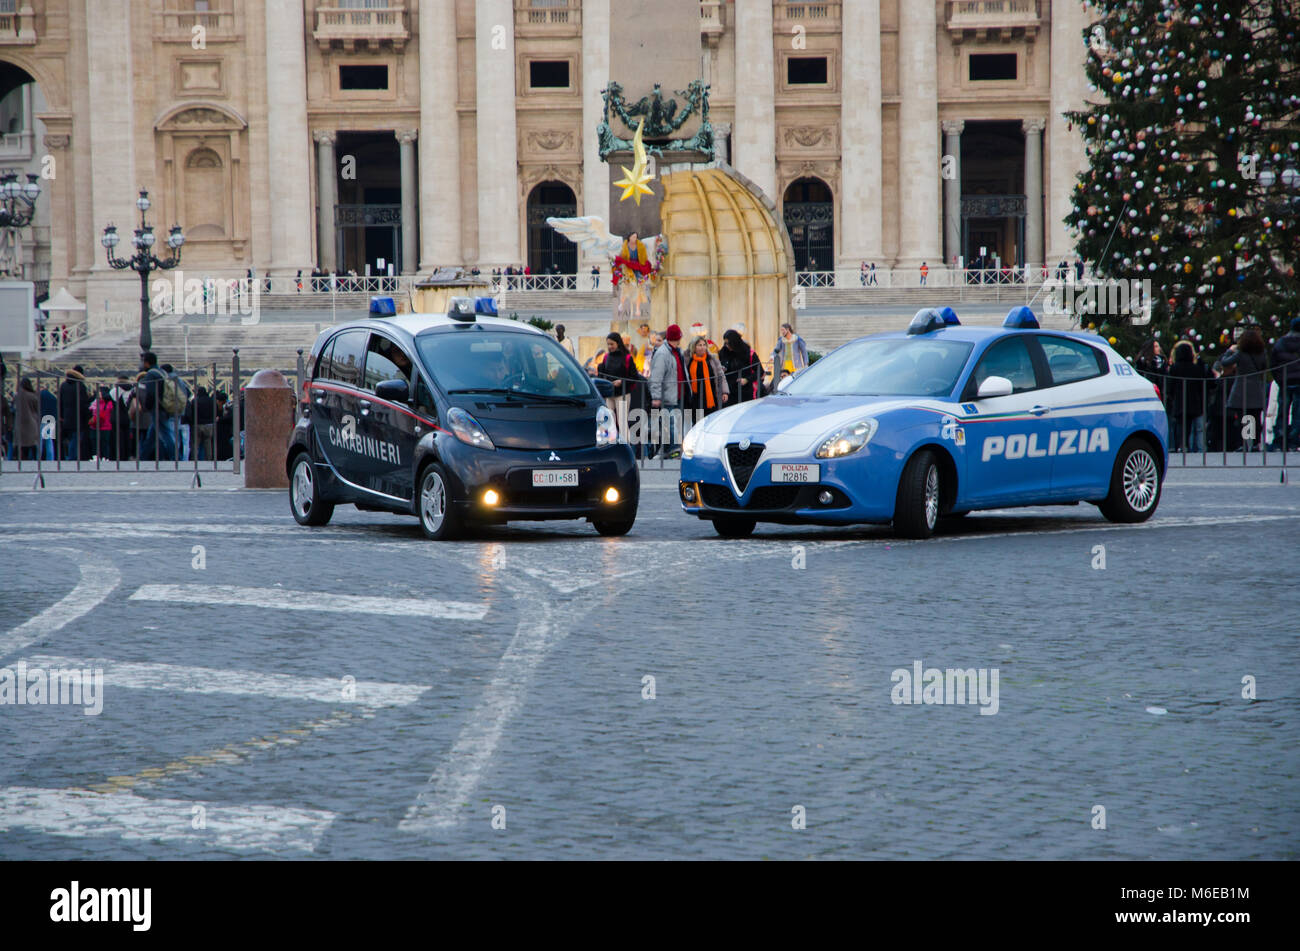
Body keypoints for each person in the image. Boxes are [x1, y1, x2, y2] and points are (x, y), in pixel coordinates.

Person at [1214, 327, 1269, 451]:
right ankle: (1255, 443)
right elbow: (1264, 367)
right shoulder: (1262, 353)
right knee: (1255, 417)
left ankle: (1244, 443)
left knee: (1243, 417)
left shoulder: (1240, 353)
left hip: (1241, 388)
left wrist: (1229, 351)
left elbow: (1225, 362)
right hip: (1256, 387)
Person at [649, 323, 688, 458]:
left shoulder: (677, 351)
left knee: (674, 423)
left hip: (678, 394)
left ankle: (668, 450)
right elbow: (656, 376)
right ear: (676, 337)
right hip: (668, 395)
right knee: (670, 423)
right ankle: (674, 450)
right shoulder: (662, 353)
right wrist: (656, 396)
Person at [1167, 340, 1213, 453]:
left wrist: (1171, 397)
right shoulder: (1195, 368)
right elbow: (1203, 384)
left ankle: (1182, 445)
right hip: (1194, 401)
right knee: (1195, 427)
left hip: (1179, 401)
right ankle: (1196, 448)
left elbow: (1170, 386)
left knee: (1180, 425)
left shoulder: (1174, 368)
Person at [1268, 316, 1300, 451]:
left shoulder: (1281, 343)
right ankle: (1293, 441)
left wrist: (1279, 378)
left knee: (1282, 411)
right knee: (1297, 413)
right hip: (1298, 382)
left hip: (1285, 381)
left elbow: (1273, 363)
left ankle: (1280, 439)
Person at [136, 351, 175, 461]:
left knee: (166, 434)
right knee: (152, 435)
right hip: (164, 407)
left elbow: (151, 393)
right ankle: (143, 458)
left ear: (146, 363)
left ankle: (174, 457)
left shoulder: (151, 374)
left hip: (158, 409)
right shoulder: (162, 372)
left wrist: (147, 407)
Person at [685, 335, 729, 418]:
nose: (702, 348)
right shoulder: (688, 360)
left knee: (711, 421)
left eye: (704, 345)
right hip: (695, 399)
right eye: (699, 345)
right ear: (694, 347)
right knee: (697, 423)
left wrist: (725, 392)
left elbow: (721, 376)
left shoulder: (712, 359)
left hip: (711, 397)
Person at [718, 328, 762, 403]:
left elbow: (760, 371)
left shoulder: (748, 353)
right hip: (728, 393)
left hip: (744, 392)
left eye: (729, 343)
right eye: (725, 343)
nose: (727, 346)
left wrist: (747, 379)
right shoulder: (723, 352)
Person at [57, 366, 91, 461]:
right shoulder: (80, 386)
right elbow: (83, 404)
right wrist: (88, 415)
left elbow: (60, 402)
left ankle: (69, 457)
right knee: (76, 439)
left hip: (67, 417)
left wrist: (61, 415)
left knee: (71, 438)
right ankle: (72, 458)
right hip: (78, 418)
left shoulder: (63, 385)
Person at [13, 377, 39, 460]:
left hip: (19, 423)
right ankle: (35, 461)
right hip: (31, 423)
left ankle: (22, 460)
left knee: (22, 445)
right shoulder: (32, 396)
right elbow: (37, 408)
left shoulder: (17, 396)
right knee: (32, 444)